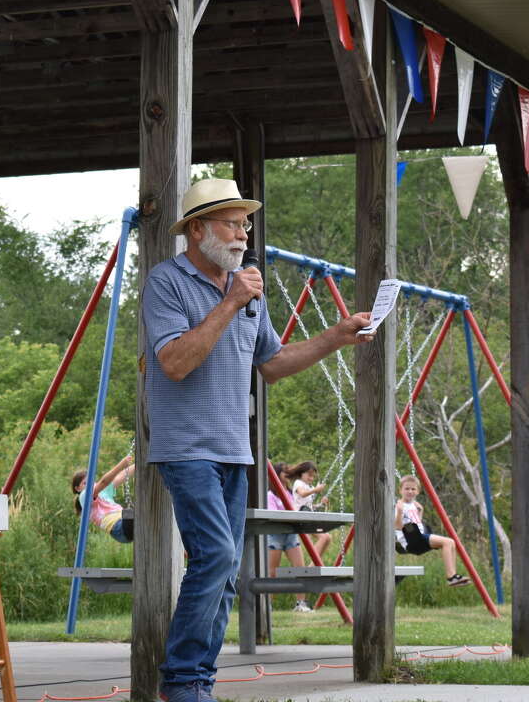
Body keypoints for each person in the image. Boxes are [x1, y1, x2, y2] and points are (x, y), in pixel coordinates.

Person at [142, 177, 373, 702]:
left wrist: (336, 336)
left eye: (245, 224)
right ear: (197, 230)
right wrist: (230, 302)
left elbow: (272, 363)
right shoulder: (167, 283)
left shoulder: (246, 290)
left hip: (233, 449)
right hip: (187, 448)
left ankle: (197, 682)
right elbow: (174, 362)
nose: (243, 234)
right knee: (216, 556)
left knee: (225, 570)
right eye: (231, 223)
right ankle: (181, 682)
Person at [394, 474, 470, 587]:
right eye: (407, 489)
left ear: (418, 491)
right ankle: (451, 577)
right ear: (400, 490)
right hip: (411, 542)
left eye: (413, 489)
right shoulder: (400, 505)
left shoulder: (413, 505)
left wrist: (420, 511)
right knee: (447, 542)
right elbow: (398, 526)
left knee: (451, 543)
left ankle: (453, 575)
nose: (410, 491)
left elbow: (417, 524)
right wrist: (400, 512)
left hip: (418, 537)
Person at [266, 463, 312, 613]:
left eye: (288, 471)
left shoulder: (291, 493)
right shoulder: (270, 495)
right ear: (277, 475)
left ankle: (301, 603)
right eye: (284, 471)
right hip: (275, 535)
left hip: (291, 534)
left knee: (300, 569)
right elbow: (273, 514)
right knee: (272, 572)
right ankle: (268, 604)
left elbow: (298, 508)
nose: (287, 473)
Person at [71, 454, 135, 544]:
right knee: (132, 512)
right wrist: (121, 465)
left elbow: (121, 476)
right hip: (118, 527)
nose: (90, 485)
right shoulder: (84, 496)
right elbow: (103, 482)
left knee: (138, 514)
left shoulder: (103, 491)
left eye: (91, 481)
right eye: (85, 483)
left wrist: (138, 464)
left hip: (123, 524)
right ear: (78, 488)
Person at [286, 460, 332, 557]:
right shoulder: (298, 483)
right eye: (309, 475)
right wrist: (315, 490)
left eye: (313, 476)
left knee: (327, 538)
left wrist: (321, 504)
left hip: (307, 517)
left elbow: (309, 505)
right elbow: (302, 494)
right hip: (300, 518)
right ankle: (313, 562)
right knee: (324, 537)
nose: (311, 478)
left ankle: (314, 563)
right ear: (301, 473)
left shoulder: (309, 486)